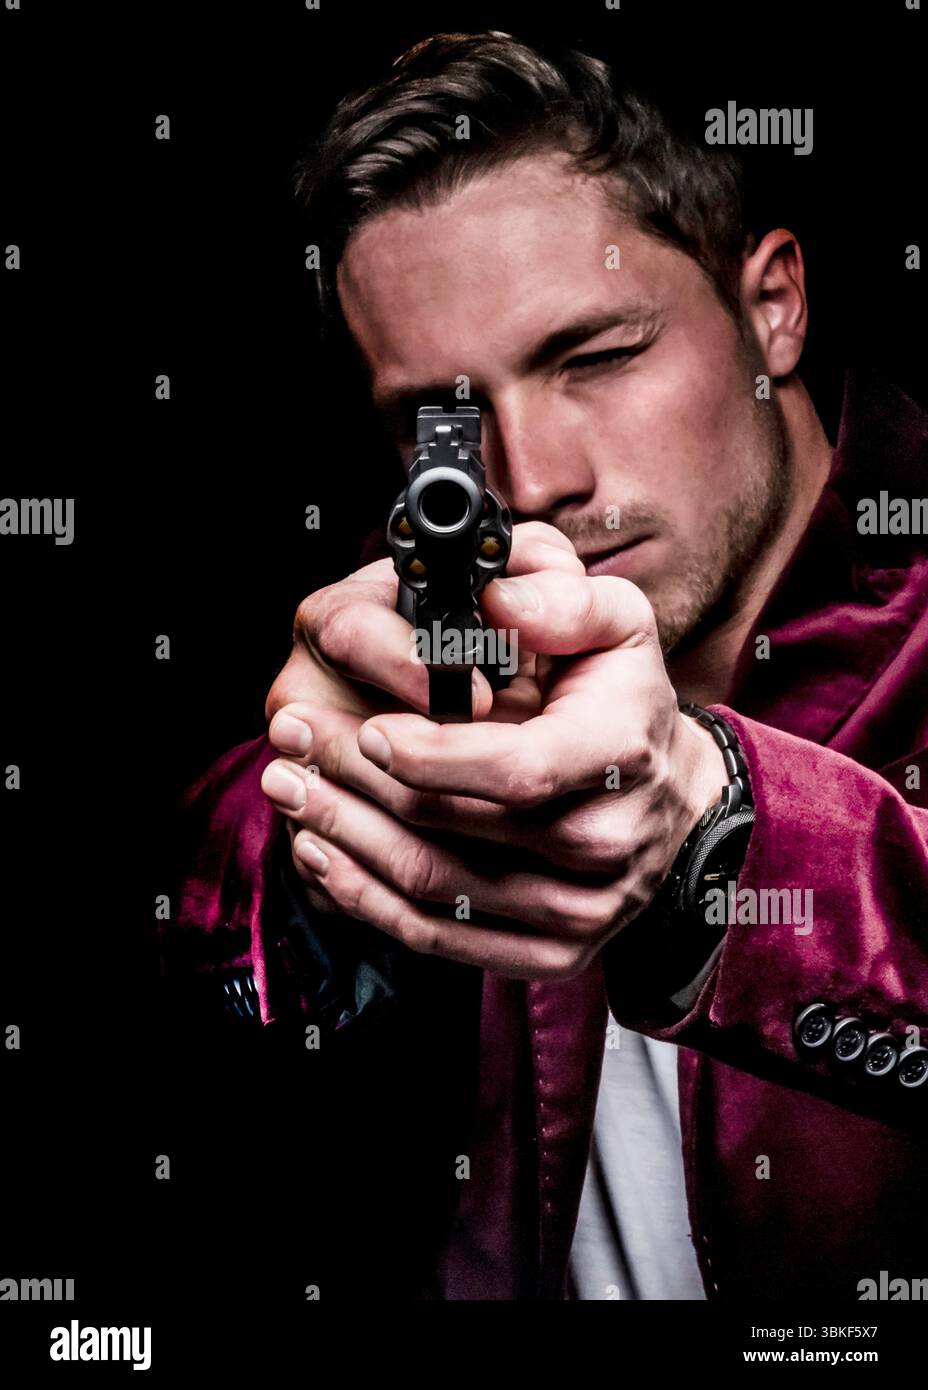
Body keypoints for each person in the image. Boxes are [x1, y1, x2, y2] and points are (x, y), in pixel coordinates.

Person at [166, 32, 928, 1300]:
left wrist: (716, 834)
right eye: (443, 419)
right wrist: (318, 808)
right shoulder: (452, 597)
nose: (532, 481)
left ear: (772, 305)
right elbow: (215, 884)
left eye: (595, 357)